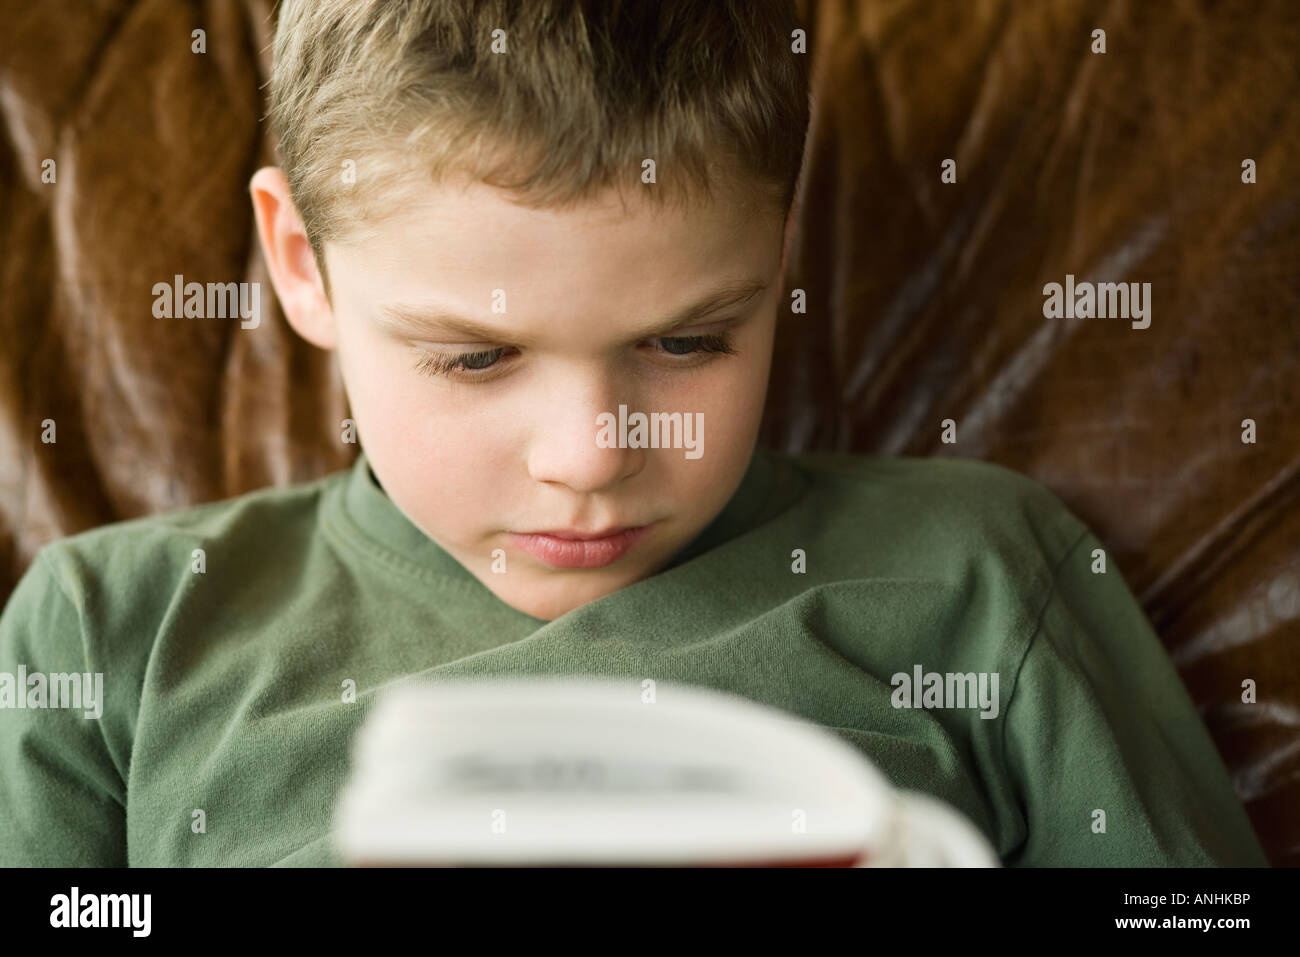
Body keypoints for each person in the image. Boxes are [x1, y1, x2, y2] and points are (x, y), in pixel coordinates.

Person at [0, 0, 1269, 867]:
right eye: (475, 356)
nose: (589, 454)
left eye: (686, 341)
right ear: (301, 266)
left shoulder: (985, 572)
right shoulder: (112, 630)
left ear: (775, 251)